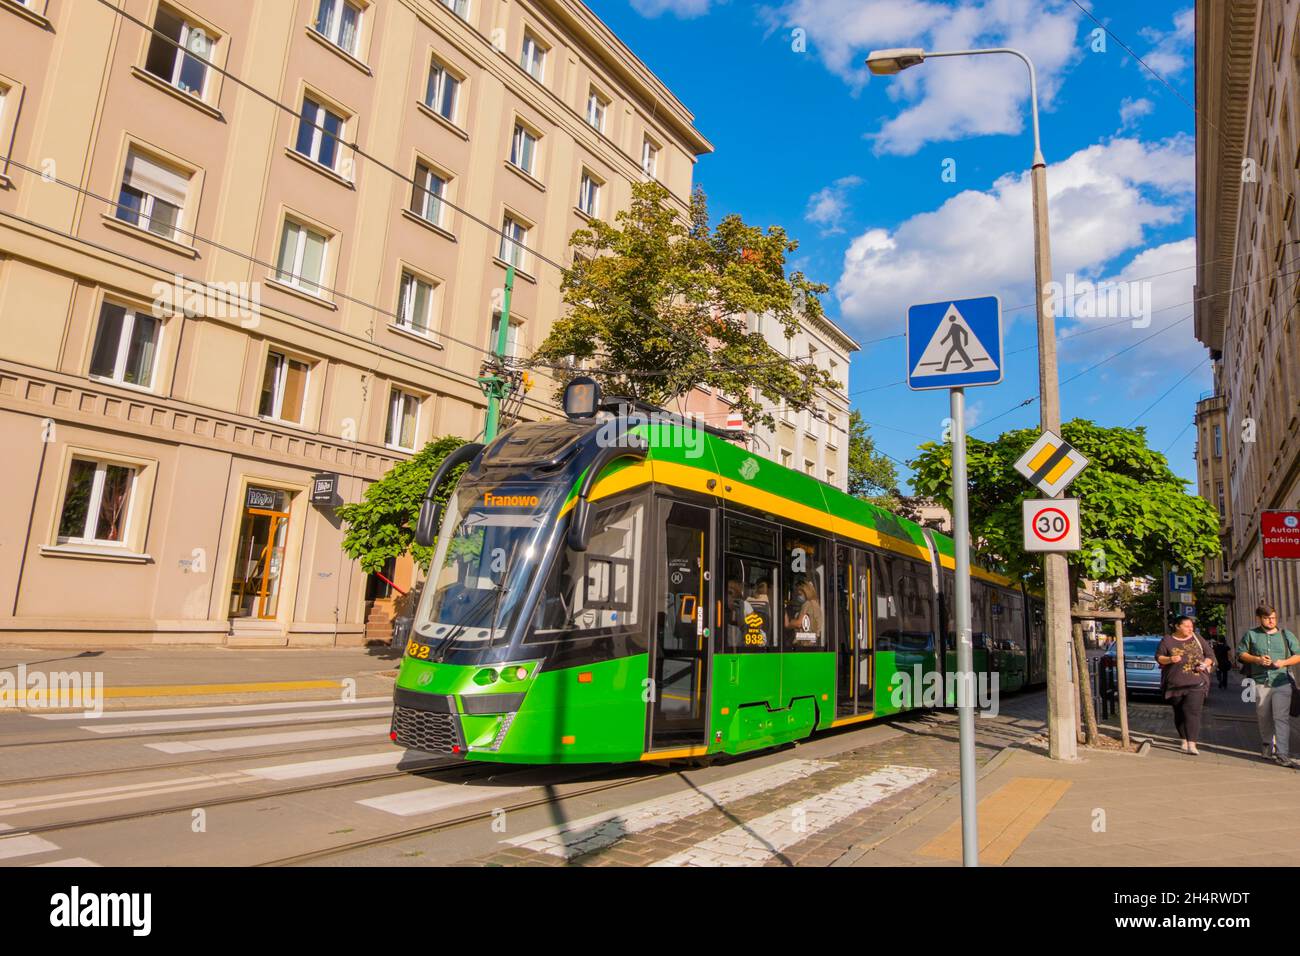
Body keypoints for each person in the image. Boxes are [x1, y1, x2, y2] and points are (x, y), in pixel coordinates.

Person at [1236, 604, 1300, 766]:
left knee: (1281, 718)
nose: (1271, 621)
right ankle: (1267, 743)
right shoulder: (1252, 634)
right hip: (1260, 682)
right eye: (1267, 618)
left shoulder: (1286, 635)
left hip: (1282, 681)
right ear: (1259, 619)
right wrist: (1257, 659)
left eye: (1273, 617)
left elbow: (1298, 655)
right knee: (1263, 716)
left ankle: (1282, 753)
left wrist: (1283, 662)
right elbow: (1240, 653)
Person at [1155, 615, 1214, 755]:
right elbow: (1159, 658)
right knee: (1180, 713)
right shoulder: (1167, 640)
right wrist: (1170, 659)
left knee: (1192, 712)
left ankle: (1192, 744)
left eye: (1191, 626)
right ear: (1177, 626)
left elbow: (1210, 655)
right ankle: (1184, 739)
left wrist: (1204, 664)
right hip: (1175, 683)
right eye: (1187, 626)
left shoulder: (1197, 638)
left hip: (1197, 682)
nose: (1190, 628)